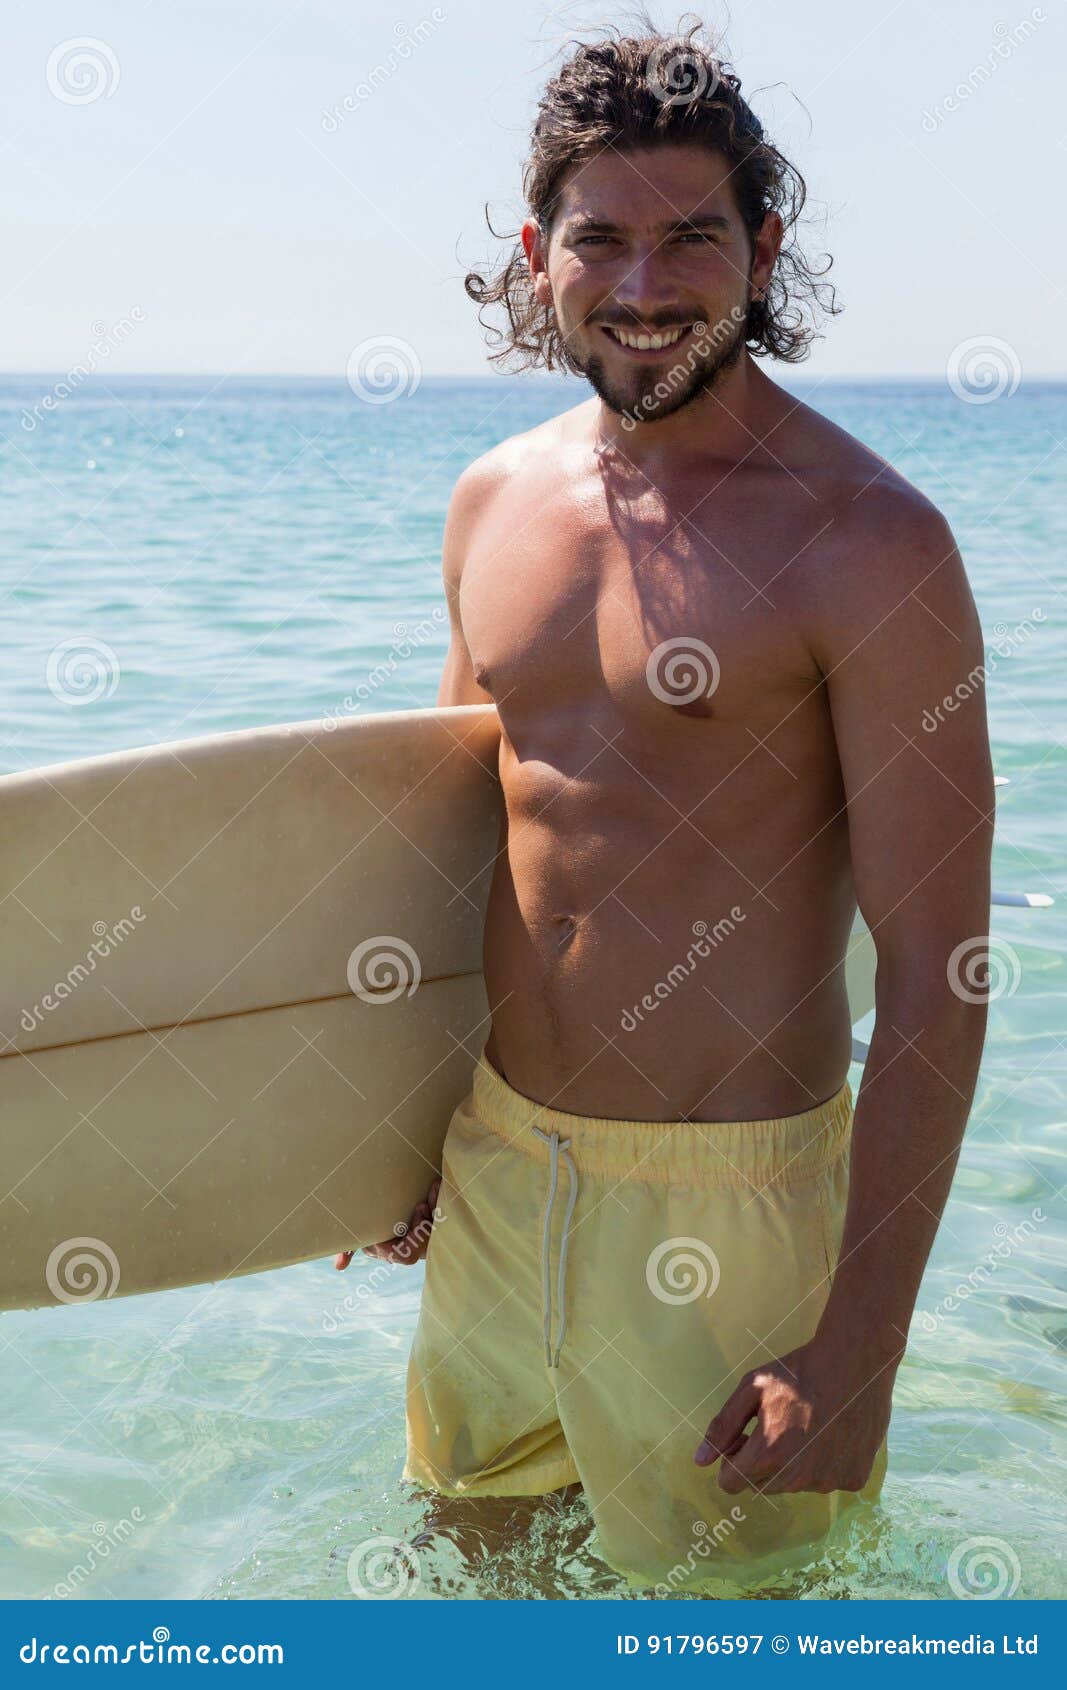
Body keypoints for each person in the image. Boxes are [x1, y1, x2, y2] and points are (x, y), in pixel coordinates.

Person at [336, 23, 994, 1589]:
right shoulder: (493, 504)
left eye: (693, 236)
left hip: (733, 1212)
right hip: (500, 1170)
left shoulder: (871, 543)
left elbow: (937, 971)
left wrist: (862, 1345)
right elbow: (461, 845)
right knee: (477, 1590)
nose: (644, 287)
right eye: (600, 239)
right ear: (537, 256)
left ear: (764, 245)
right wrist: (388, 1133)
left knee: (734, 1624)